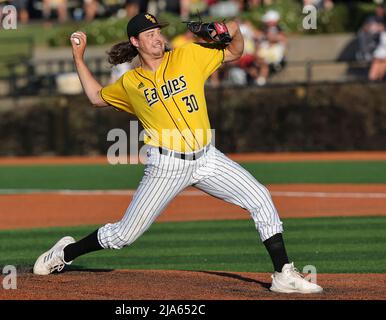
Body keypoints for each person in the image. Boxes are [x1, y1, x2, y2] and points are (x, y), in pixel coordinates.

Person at [33, 12, 323, 294]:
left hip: (206, 158)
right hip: (166, 165)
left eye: (158, 32)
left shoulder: (188, 55)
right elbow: (96, 97)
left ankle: (283, 273)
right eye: (150, 34)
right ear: (135, 42)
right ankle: (65, 252)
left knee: (260, 197)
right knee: (123, 236)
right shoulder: (131, 83)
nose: (158, 38)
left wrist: (224, 28)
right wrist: (78, 58)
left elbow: (234, 51)